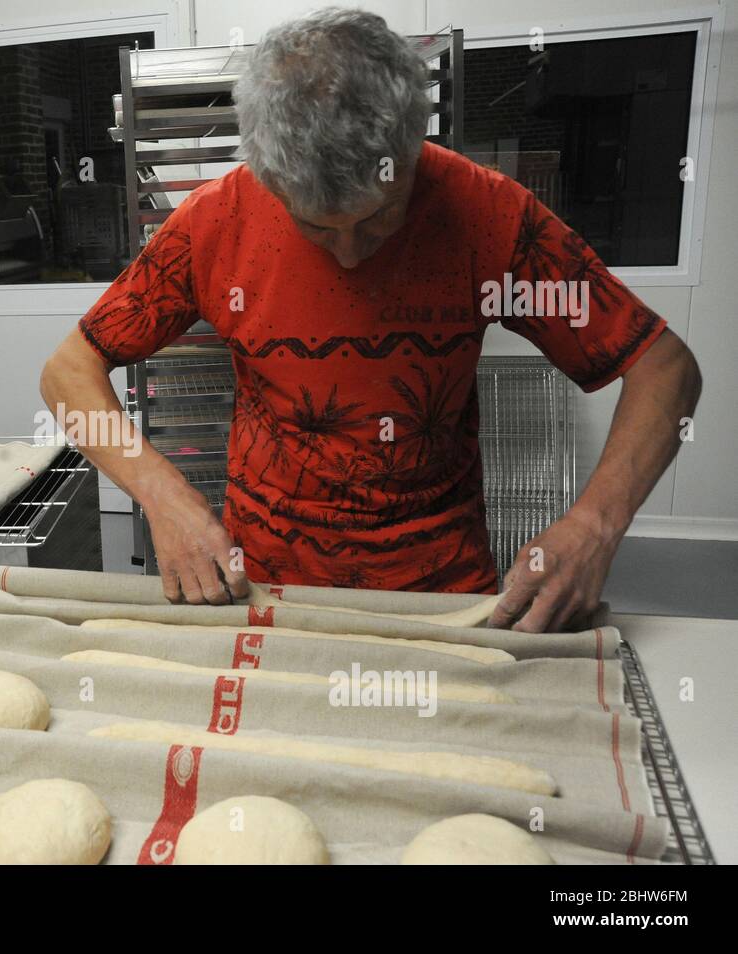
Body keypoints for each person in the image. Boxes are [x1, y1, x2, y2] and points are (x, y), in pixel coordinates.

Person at [40, 9, 702, 631]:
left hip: (442, 599)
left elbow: (664, 368)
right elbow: (70, 370)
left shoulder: (490, 217)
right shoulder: (215, 223)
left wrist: (593, 527)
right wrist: (162, 494)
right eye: (318, 228)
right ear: (268, 178)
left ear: (413, 147)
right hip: (261, 591)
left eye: (379, 217)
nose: (352, 255)